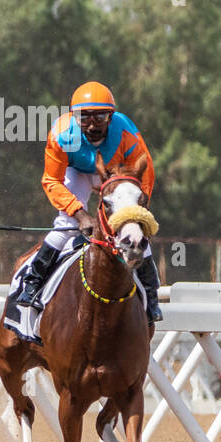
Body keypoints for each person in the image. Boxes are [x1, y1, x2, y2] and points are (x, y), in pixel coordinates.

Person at [16, 81, 160, 321]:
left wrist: (138, 212)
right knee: (64, 226)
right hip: (75, 171)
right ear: (74, 117)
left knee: (135, 233)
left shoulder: (127, 133)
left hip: (113, 173)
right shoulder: (61, 134)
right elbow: (52, 180)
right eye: (84, 118)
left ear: (111, 117)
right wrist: (79, 214)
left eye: (100, 117)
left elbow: (146, 173)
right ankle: (33, 283)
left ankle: (152, 297)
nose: (92, 125)